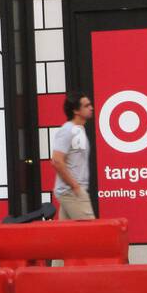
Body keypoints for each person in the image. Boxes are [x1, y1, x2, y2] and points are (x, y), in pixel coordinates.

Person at [51, 92, 95, 221]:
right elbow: (57, 161)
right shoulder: (67, 130)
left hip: (71, 191)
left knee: (67, 237)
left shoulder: (79, 130)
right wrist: (75, 186)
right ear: (76, 110)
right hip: (72, 192)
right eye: (87, 106)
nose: (91, 108)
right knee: (89, 232)